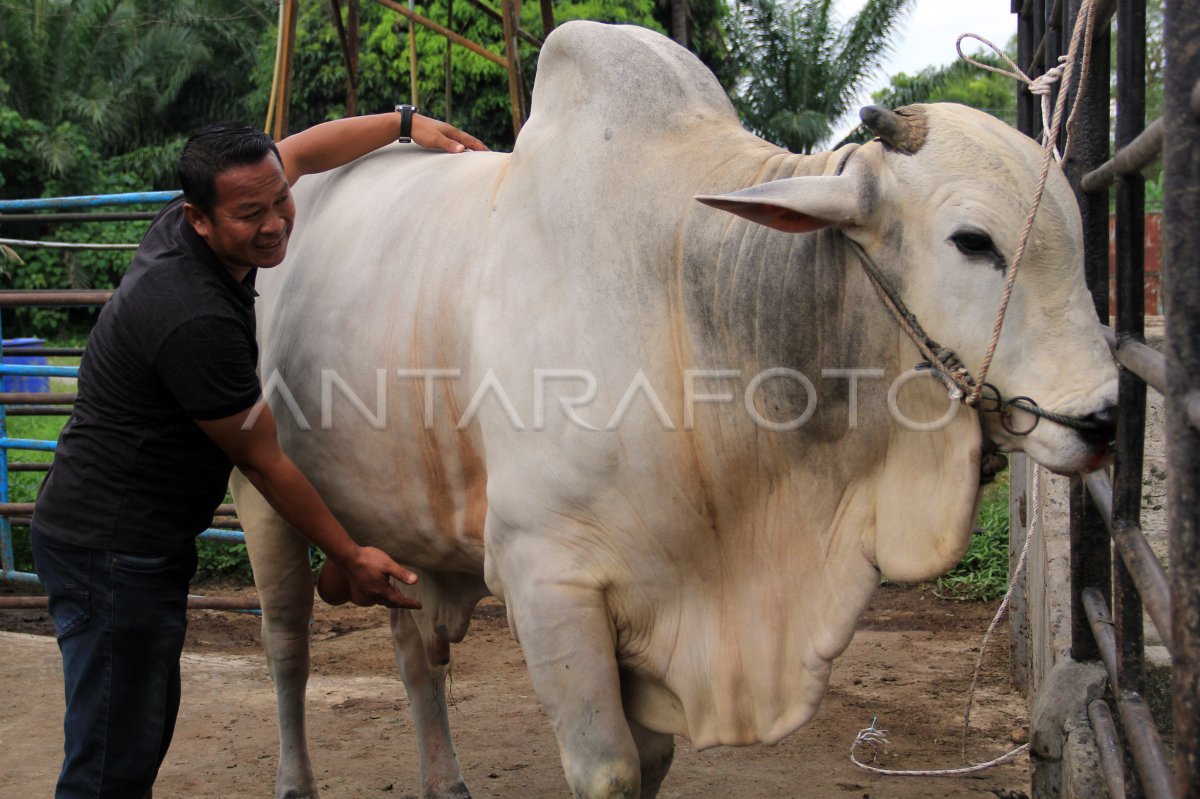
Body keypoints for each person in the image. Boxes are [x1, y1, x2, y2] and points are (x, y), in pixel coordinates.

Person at [29, 109, 487, 799]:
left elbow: (304, 150)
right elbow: (266, 460)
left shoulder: (211, 226)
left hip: (133, 542)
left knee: (136, 734)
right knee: (107, 762)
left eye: (281, 201)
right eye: (252, 213)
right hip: (110, 548)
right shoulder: (191, 316)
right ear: (201, 218)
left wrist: (405, 122)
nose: (275, 222)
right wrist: (349, 552)